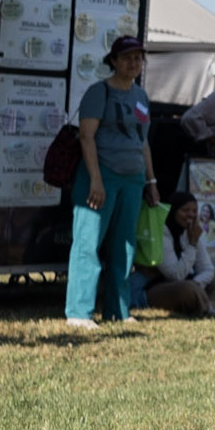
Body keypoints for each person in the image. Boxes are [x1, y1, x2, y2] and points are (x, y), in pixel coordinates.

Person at [64, 36, 160, 330]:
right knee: (88, 242)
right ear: (113, 61)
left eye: (138, 58)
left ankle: (117, 310)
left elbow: (142, 142)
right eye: (127, 57)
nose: (134, 63)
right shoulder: (99, 92)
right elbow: (86, 137)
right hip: (101, 175)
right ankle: (79, 313)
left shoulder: (141, 97)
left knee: (125, 245)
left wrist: (151, 181)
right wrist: (95, 179)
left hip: (133, 179)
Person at [145, 190, 215, 316]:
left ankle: (210, 307)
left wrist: (198, 283)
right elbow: (175, 275)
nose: (191, 215)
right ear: (172, 212)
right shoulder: (161, 233)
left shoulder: (192, 231)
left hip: (193, 283)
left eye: (194, 211)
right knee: (187, 289)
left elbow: (207, 269)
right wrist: (192, 244)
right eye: (185, 210)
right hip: (164, 287)